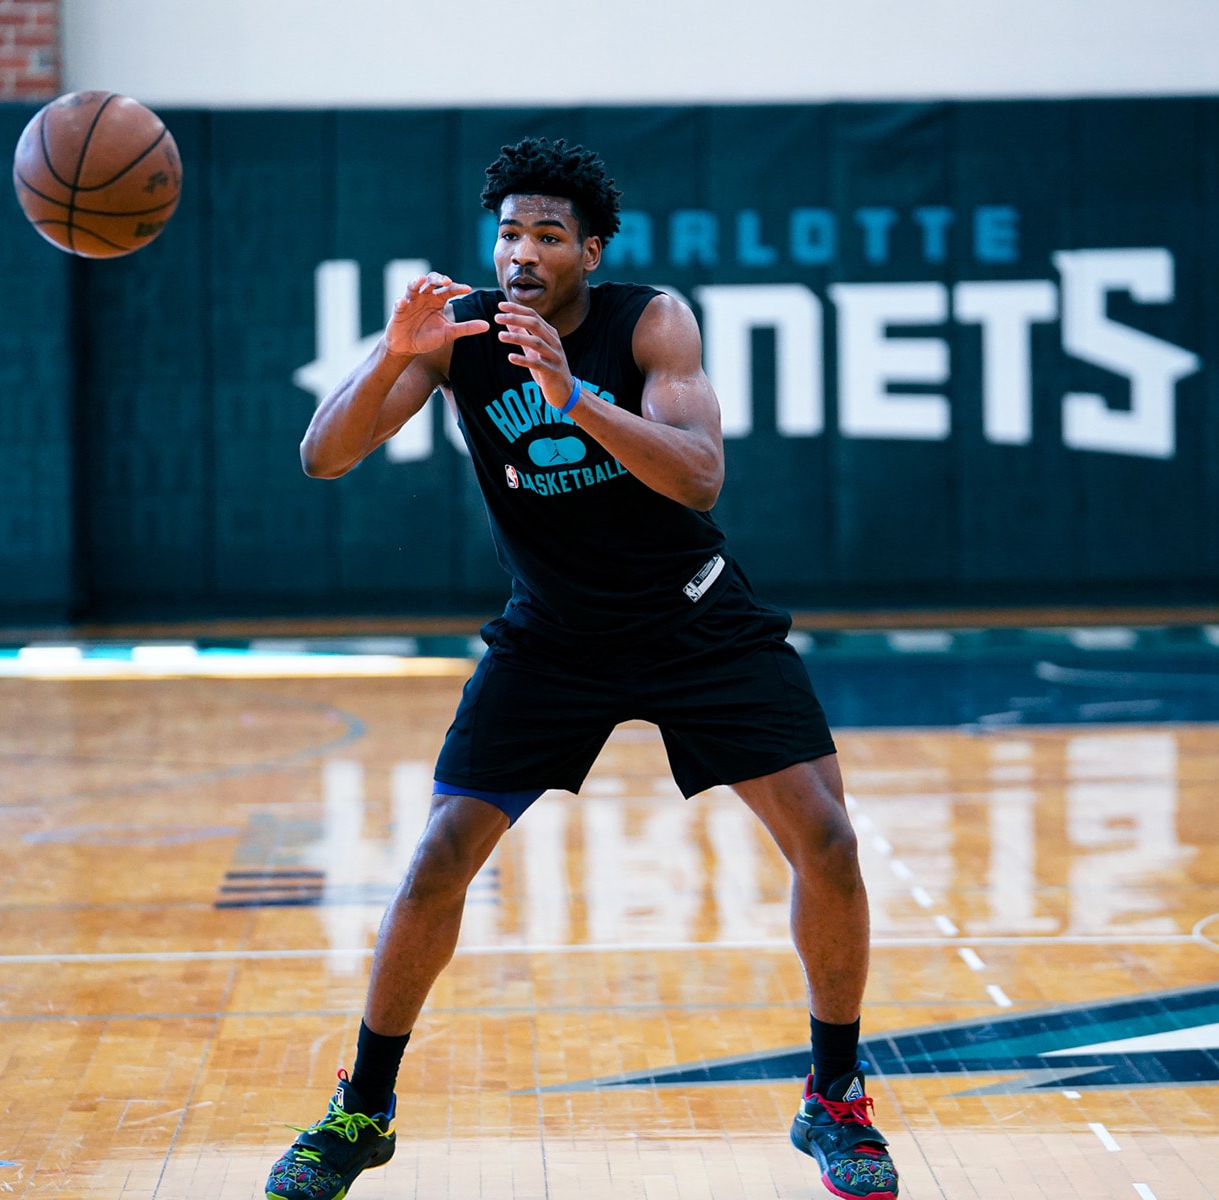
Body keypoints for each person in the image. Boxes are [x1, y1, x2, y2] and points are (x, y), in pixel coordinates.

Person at [264, 138, 898, 1200]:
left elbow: (699, 479)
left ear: (589, 252)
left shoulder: (650, 322)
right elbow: (321, 457)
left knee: (828, 843)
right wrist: (391, 355)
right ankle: (361, 1110)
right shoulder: (456, 331)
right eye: (509, 233)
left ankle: (834, 1099)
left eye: (548, 236)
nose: (522, 252)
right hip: (553, 637)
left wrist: (578, 403)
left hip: (696, 624)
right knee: (435, 860)